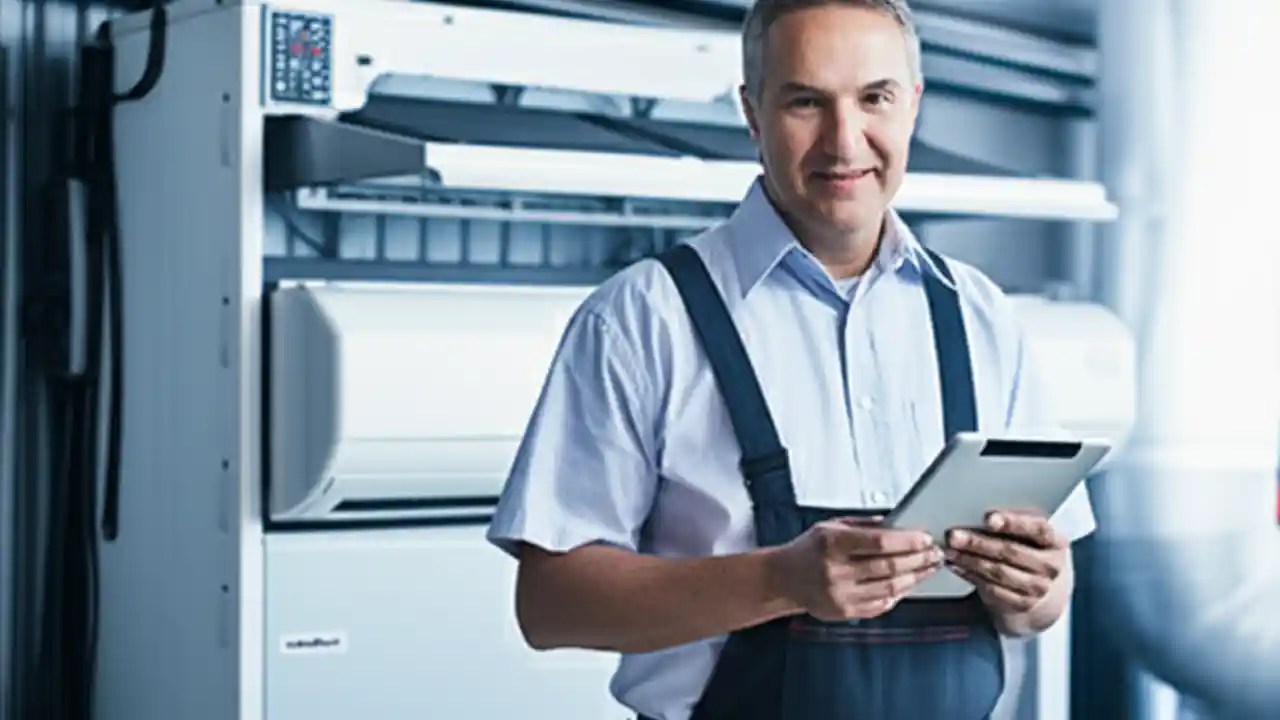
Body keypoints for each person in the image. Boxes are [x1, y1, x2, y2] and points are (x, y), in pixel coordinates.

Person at [486, 1, 1096, 718]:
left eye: (876, 98)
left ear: (913, 106)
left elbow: (1044, 602)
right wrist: (781, 580)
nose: (845, 141)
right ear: (753, 113)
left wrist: (1038, 591)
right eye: (807, 101)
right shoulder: (643, 318)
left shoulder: (982, 316)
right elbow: (551, 605)